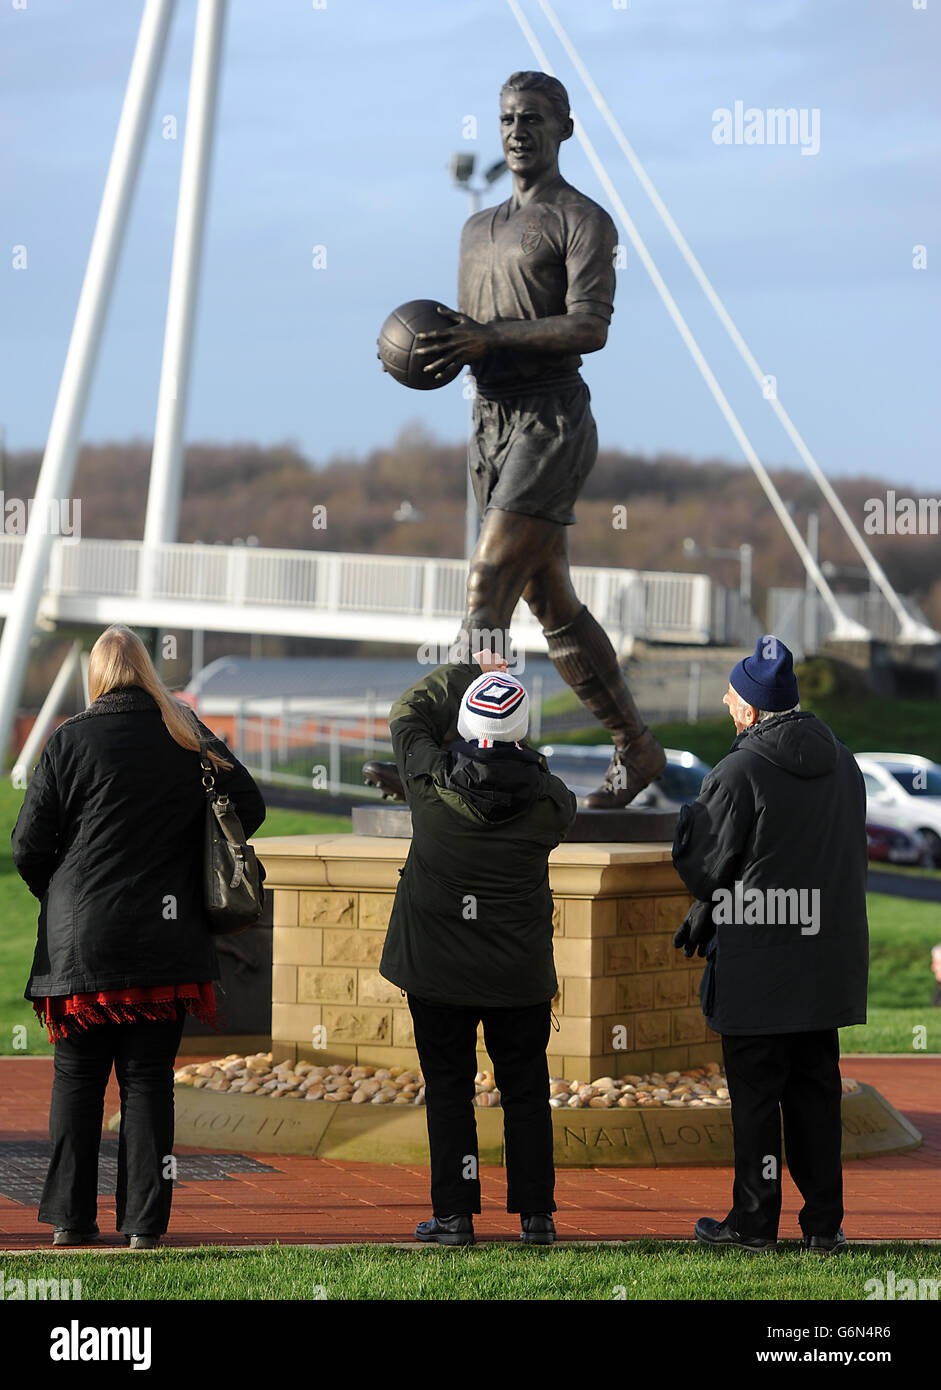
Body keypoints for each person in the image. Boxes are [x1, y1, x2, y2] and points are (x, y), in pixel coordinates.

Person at [364, 70, 664, 810]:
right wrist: (427, 352)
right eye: (506, 119)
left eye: (532, 119)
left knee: (484, 584)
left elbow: (590, 326)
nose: (517, 131)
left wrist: (491, 335)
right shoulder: (475, 228)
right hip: (486, 423)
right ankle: (636, 745)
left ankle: (438, 762)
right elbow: (464, 336)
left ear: (563, 128)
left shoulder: (582, 220)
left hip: (550, 417)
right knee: (551, 603)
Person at [11, 624, 265, 1248]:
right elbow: (248, 807)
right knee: (149, 1081)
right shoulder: (186, 733)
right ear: (148, 670)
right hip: (168, 940)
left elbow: (27, 846)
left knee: (77, 1079)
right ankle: (144, 1226)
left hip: (84, 941)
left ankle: (71, 1221)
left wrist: (66, 892)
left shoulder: (69, 739)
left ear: (94, 675)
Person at [672, 635, 868, 1254]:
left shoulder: (738, 770)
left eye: (732, 698)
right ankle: (823, 1226)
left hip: (758, 968)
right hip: (825, 963)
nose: (729, 707)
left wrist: (691, 835)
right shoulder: (844, 761)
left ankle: (754, 1225)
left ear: (752, 710)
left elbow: (704, 867)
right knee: (816, 1097)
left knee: (757, 1101)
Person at [379, 649, 577, 1245]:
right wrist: (501, 695)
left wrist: (470, 672)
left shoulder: (428, 785)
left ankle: (455, 1216)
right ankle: (536, 1216)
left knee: (448, 1089)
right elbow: (541, 782)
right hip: (518, 974)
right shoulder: (551, 802)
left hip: (436, 972)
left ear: (466, 724)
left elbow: (407, 713)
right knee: (525, 1090)